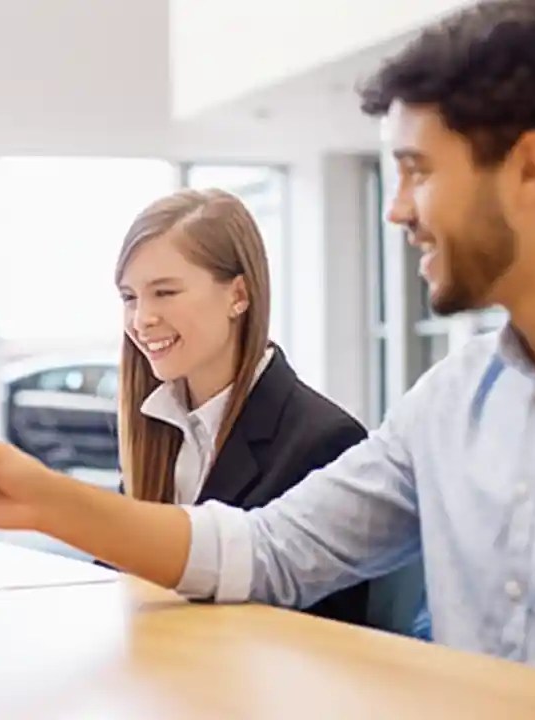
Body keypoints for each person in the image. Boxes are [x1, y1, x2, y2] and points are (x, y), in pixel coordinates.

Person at [0, 0, 535, 681]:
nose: (396, 208)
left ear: (530, 169)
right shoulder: (447, 403)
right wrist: (44, 498)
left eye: (419, 170)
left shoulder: (340, 425)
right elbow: (269, 549)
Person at [105, 188, 373, 624]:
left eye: (165, 292)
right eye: (130, 297)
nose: (141, 319)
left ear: (238, 295)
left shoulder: (325, 440)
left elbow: (327, 635)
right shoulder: (155, 429)